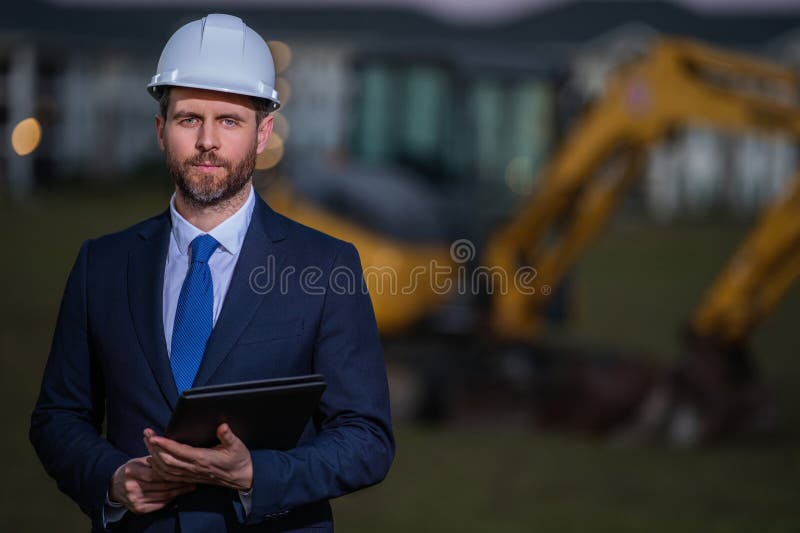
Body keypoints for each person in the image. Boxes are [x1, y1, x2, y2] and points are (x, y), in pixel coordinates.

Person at [29, 13, 394, 532]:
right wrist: (111, 478)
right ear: (161, 130)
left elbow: (367, 438)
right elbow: (57, 417)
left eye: (229, 120)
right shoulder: (101, 264)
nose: (207, 141)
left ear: (262, 133)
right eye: (188, 119)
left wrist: (256, 475)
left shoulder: (326, 266)